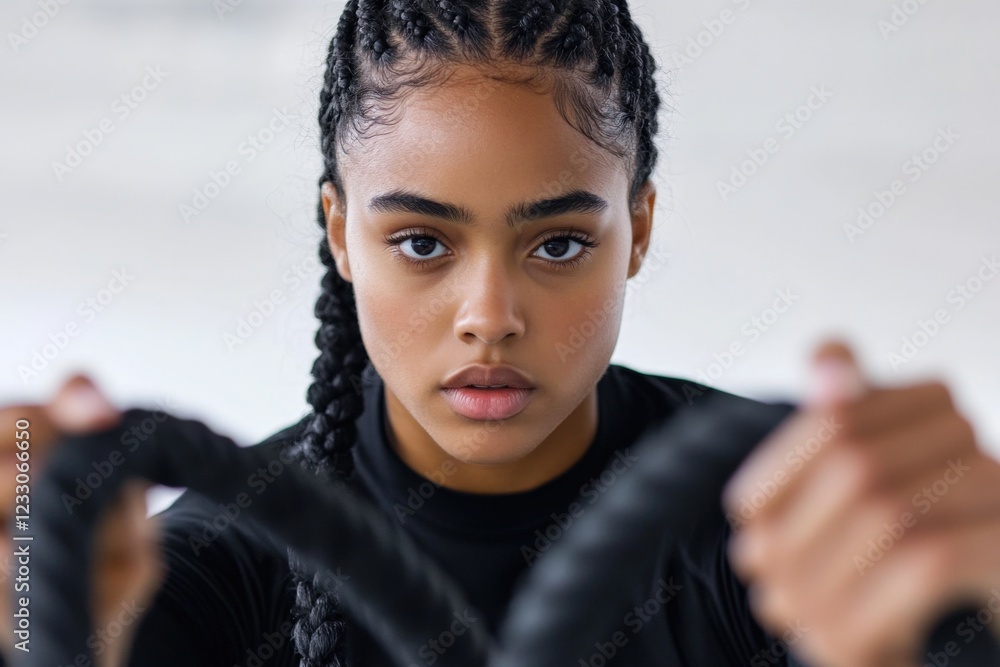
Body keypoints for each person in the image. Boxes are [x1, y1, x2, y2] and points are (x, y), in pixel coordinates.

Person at [4, 1, 1000, 666]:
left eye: (558, 244)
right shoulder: (207, 577)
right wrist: (21, 619)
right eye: (423, 242)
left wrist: (964, 626)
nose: (489, 314)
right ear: (339, 234)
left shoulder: (798, 531)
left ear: (638, 230)